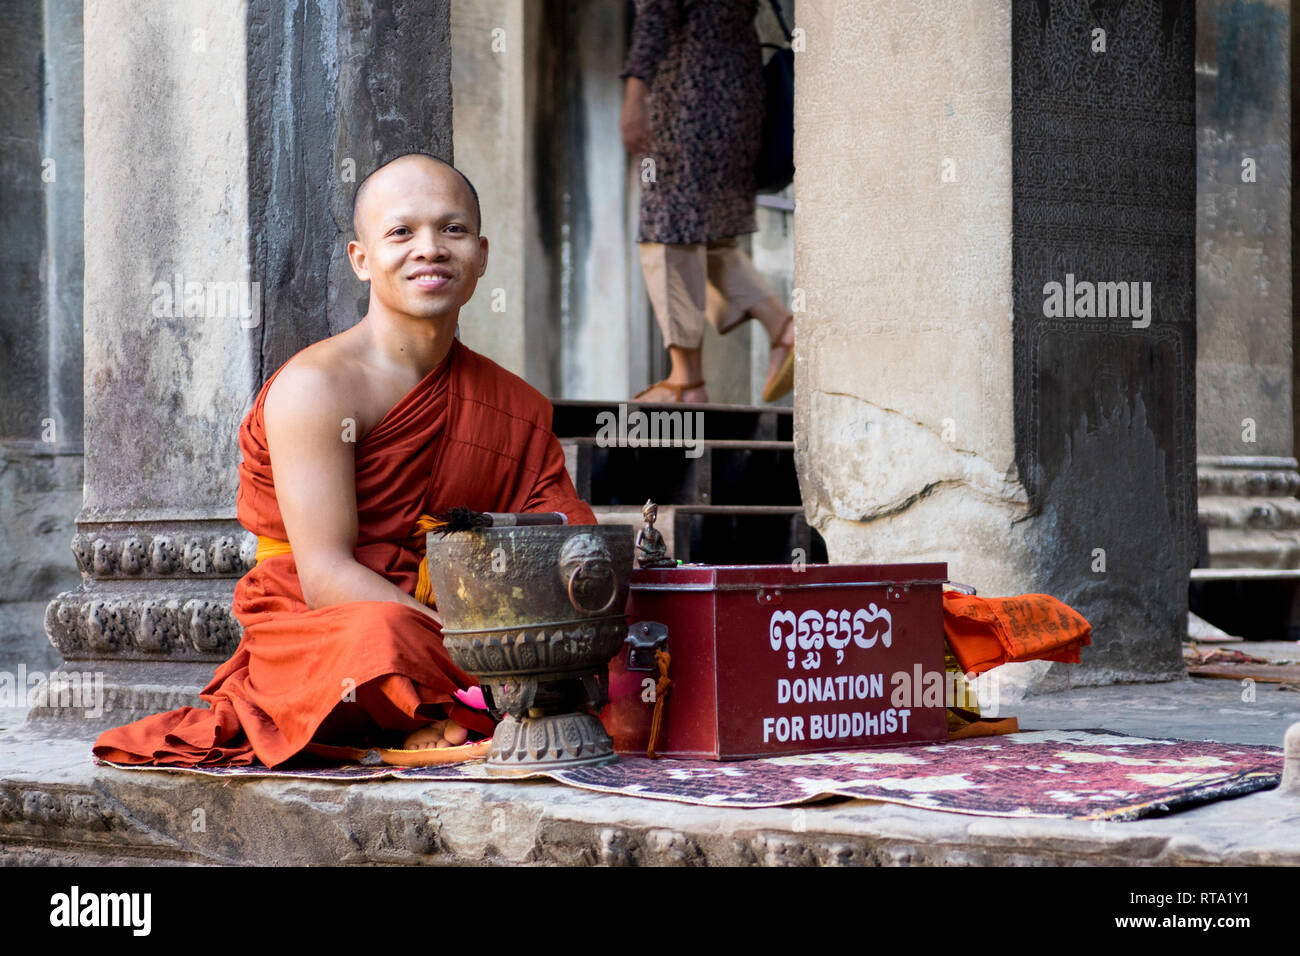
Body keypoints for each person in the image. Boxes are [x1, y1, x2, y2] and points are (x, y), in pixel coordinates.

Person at [92, 153, 597, 768]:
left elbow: (565, 540)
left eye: (453, 230)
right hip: (328, 624)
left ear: (483, 255)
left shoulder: (514, 405)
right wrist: (483, 656)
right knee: (378, 638)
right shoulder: (319, 386)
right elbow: (326, 577)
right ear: (362, 259)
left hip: (459, 627)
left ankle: (445, 709)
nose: (430, 249)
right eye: (401, 232)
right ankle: (453, 706)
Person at [621, 0, 795, 404]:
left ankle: (686, 381)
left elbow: (658, 15)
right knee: (707, 231)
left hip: (686, 95)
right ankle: (782, 328)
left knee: (665, 234)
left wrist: (634, 93)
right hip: (737, 92)